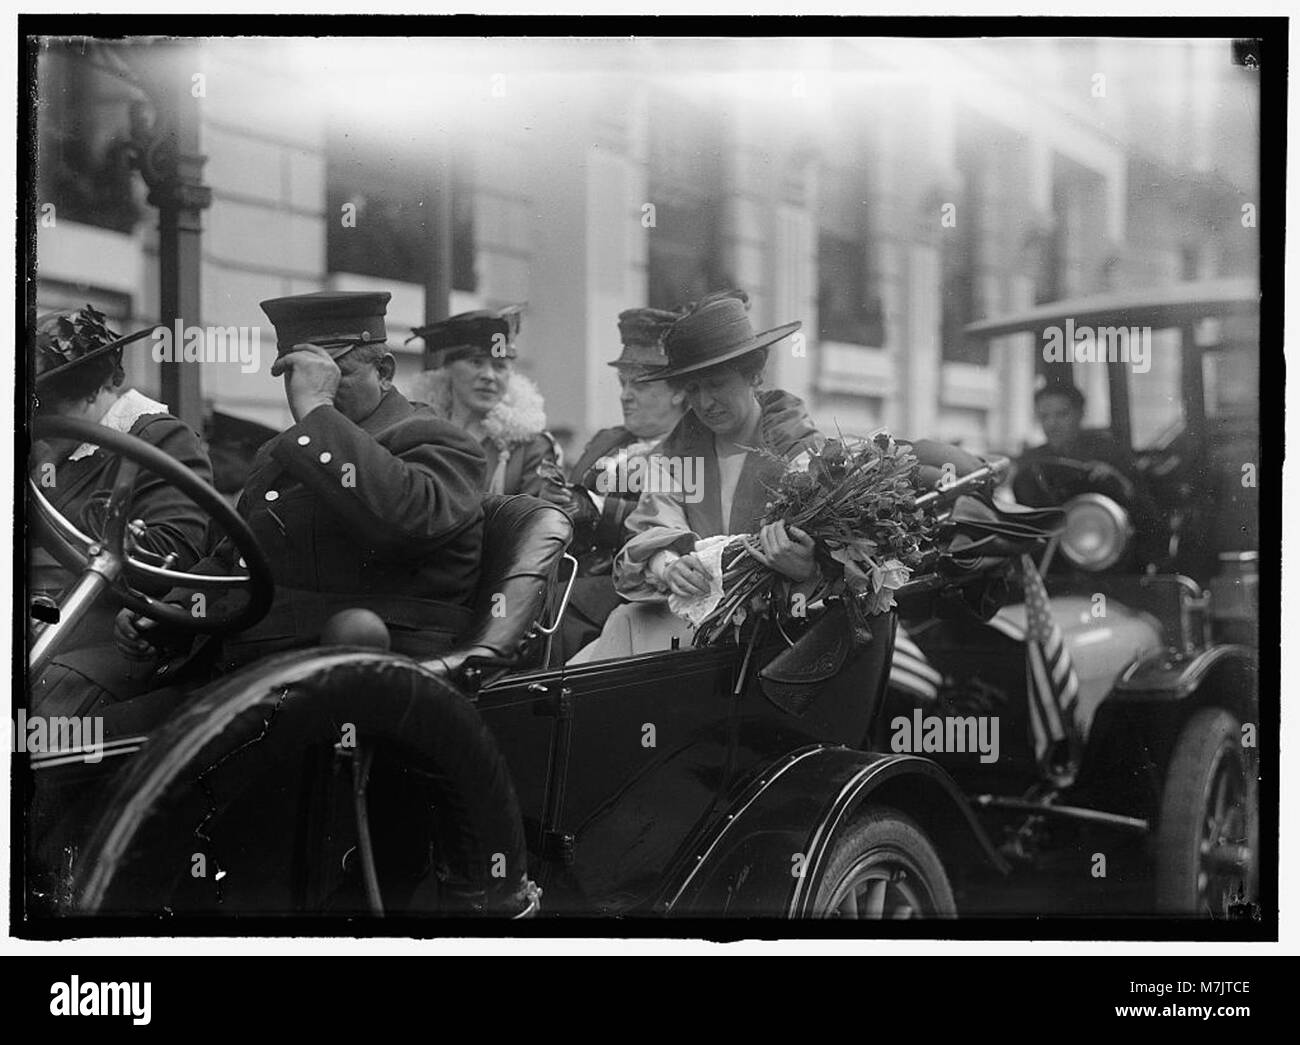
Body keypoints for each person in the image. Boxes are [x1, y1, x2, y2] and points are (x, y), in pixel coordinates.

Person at [115, 290, 487, 685]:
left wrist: (317, 412)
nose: (308, 389)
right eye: (298, 375)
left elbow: (407, 522)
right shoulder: (283, 451)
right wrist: (163, 613)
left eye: (331, 375)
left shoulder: (436, 439)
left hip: (361, 682)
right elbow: (232, 560)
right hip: (254, 666)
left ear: (385, 372)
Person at [570, 290, 819, 663]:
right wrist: (668, 564)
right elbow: (653, 526)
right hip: (694, 630)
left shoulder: (799, 450)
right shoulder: (674, 454)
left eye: (716, 384)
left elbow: (836, 567)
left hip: (781, 636)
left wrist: (805, 567)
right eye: (693, 389)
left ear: (754, 374)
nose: (704, 403)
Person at [29, 306, 213, 713]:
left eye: (49, 410)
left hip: (103, 640)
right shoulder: (41, 451)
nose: (35, 424)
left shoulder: (159, 439)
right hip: (34, 629)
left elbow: (176, 552)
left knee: (34, 715)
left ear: (102, 389)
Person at [546, 306, 686, 657]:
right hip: (575, 569)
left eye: (639, 384)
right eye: (623, 382)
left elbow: (671, 524)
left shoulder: (690, 450)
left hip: (638, 584)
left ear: (680, 391)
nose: (625, 395)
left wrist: (597, 509)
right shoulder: (608, 440)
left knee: (563, 608)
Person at [405, 306, 561, 498]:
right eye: (476, 362)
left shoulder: (530, 446)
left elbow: (537, 517)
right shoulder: (417, 434)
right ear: (448, 368)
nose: (489, 376)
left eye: (499, 366)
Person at [1012, 379, 1139, 508]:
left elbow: (1142, 507)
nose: (1052, 424)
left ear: (1080, 414)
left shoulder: (1109, 452)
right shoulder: (1031, 460)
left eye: (1061, 414)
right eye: (1044, 416)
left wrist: (1117, 480)